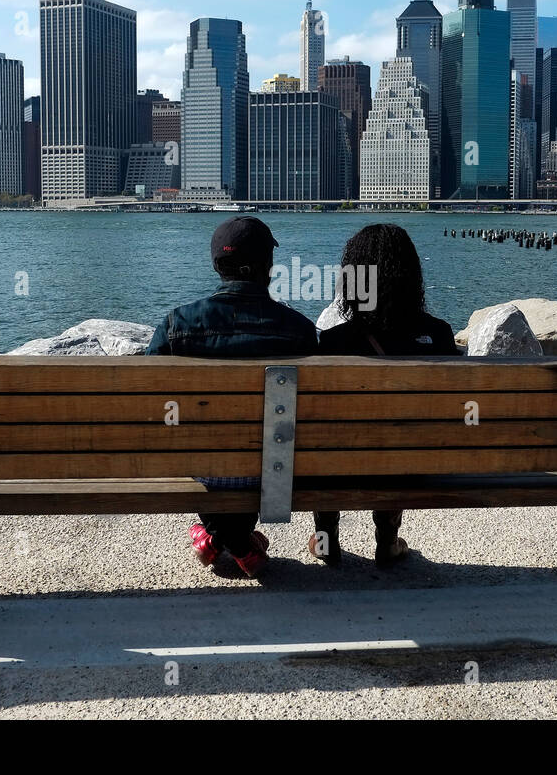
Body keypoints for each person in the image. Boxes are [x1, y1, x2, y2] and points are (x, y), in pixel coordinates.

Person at [147, 216, 317, 577]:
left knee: (209, 447)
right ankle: (235, 539)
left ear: (216, 265)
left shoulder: (177, 326)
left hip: (202, 468)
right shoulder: (300, 331)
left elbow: (146, 400)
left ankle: (222, 536)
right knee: (263, 445)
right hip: (274, 472)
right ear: (268, 267)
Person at [309, 224, 460, 567]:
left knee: (326, 446)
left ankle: (325, 540)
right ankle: (388, 541)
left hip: (338, 466)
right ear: (412, 277)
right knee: (400, 439)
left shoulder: (333, 344)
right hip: (414, 465)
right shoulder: (439, 336)